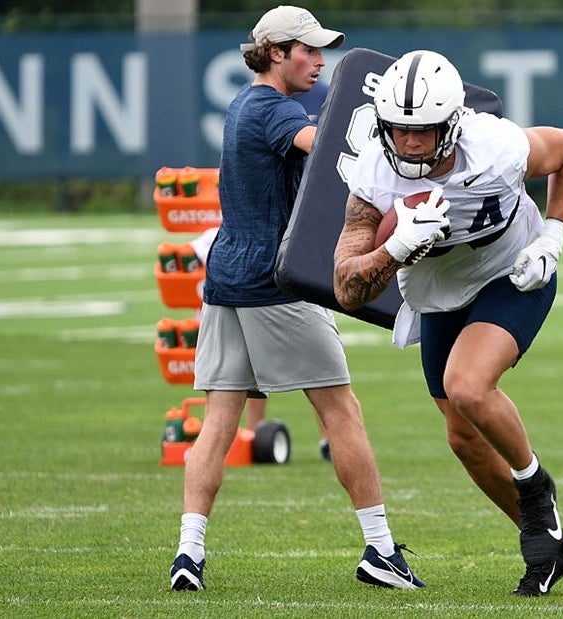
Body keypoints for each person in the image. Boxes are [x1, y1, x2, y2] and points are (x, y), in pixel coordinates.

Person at [168, 6, 424, 592]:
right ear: (277, 52)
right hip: (274, 285)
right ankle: (381, 550)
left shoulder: (242, 103)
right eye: (308, 50)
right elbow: (331, 152)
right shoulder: (277, 110)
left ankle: (189, 554)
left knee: (217, 425)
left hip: (226, 281)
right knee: (342, 413)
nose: (320, 60)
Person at [333, 50, 563, 596]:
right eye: (399, 130)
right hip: (437, 293)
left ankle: (536, 490)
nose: (411, 143)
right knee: (464, 439)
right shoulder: (374, 174)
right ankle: (550, 540)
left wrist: (553, 238)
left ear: (452, 122)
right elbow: (346, 286)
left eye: (424, 130)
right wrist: (394, 250)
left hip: (510, 272)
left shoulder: (494, 146)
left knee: (468, 387)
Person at [190, 227, 333, 461]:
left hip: (238, 293)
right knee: (330, 385)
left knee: (221, 408)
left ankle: (324, 440)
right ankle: (326, 440)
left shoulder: (224, 227)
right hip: (276, 295)